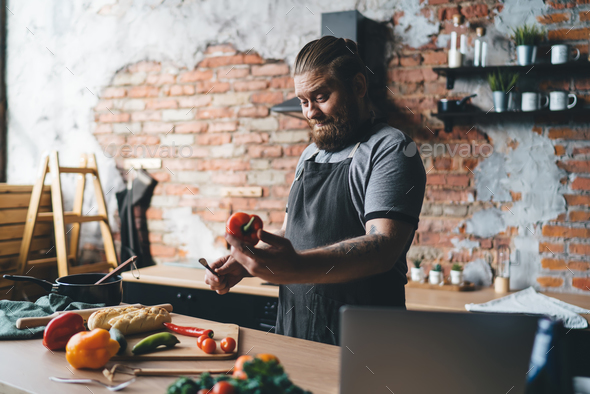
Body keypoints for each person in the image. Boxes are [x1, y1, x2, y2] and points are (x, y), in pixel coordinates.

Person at [205, 36, 426, 346]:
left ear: (358, 86)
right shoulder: (309, 155)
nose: (309, 112)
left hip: (365, 343)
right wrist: (246, 262)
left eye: (321, 96)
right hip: (296, 331)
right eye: (303, 101)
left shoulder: (392, 149)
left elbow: (383, 248)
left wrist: (295, 266)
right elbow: (290, 236)